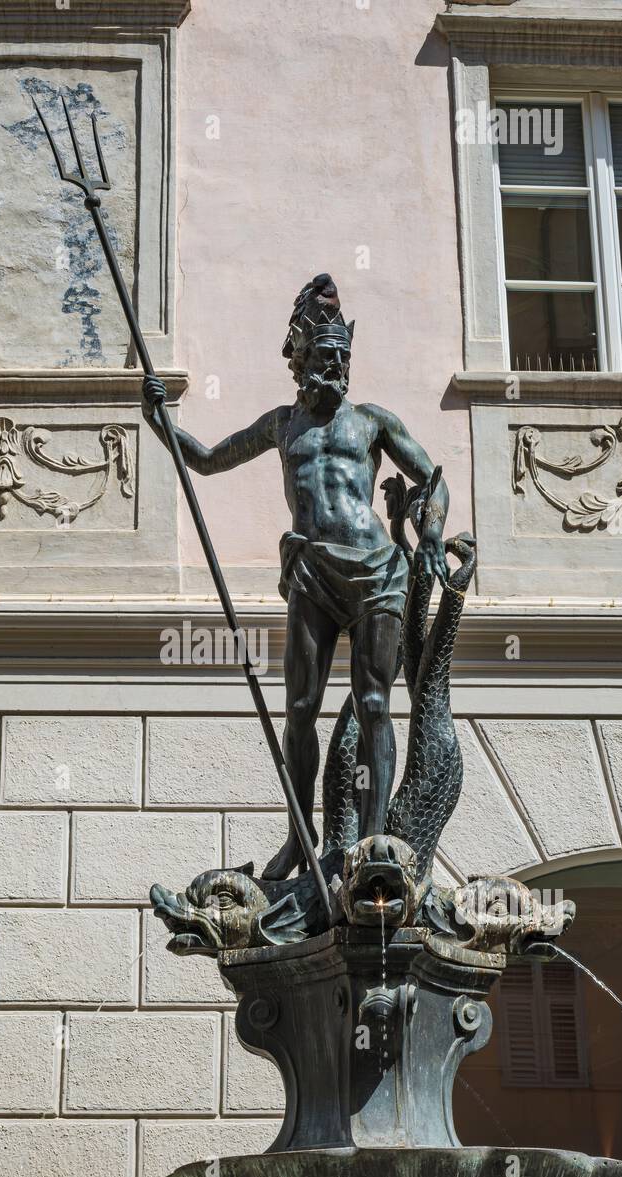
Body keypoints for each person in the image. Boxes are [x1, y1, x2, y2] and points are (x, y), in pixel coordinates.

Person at [143, 273, 449, 879]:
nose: (336, 365)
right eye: (325, 355)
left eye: (343, 356)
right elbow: (206, 459)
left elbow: (430, 479)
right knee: (302, 707)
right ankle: (299, 834)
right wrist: (161, 422)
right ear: (301, 360)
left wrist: (431, 528)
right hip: (310, 570)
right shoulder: (283, 425)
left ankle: (372, 839)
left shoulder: (372, 422)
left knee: (373, 703)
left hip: (375, 575)